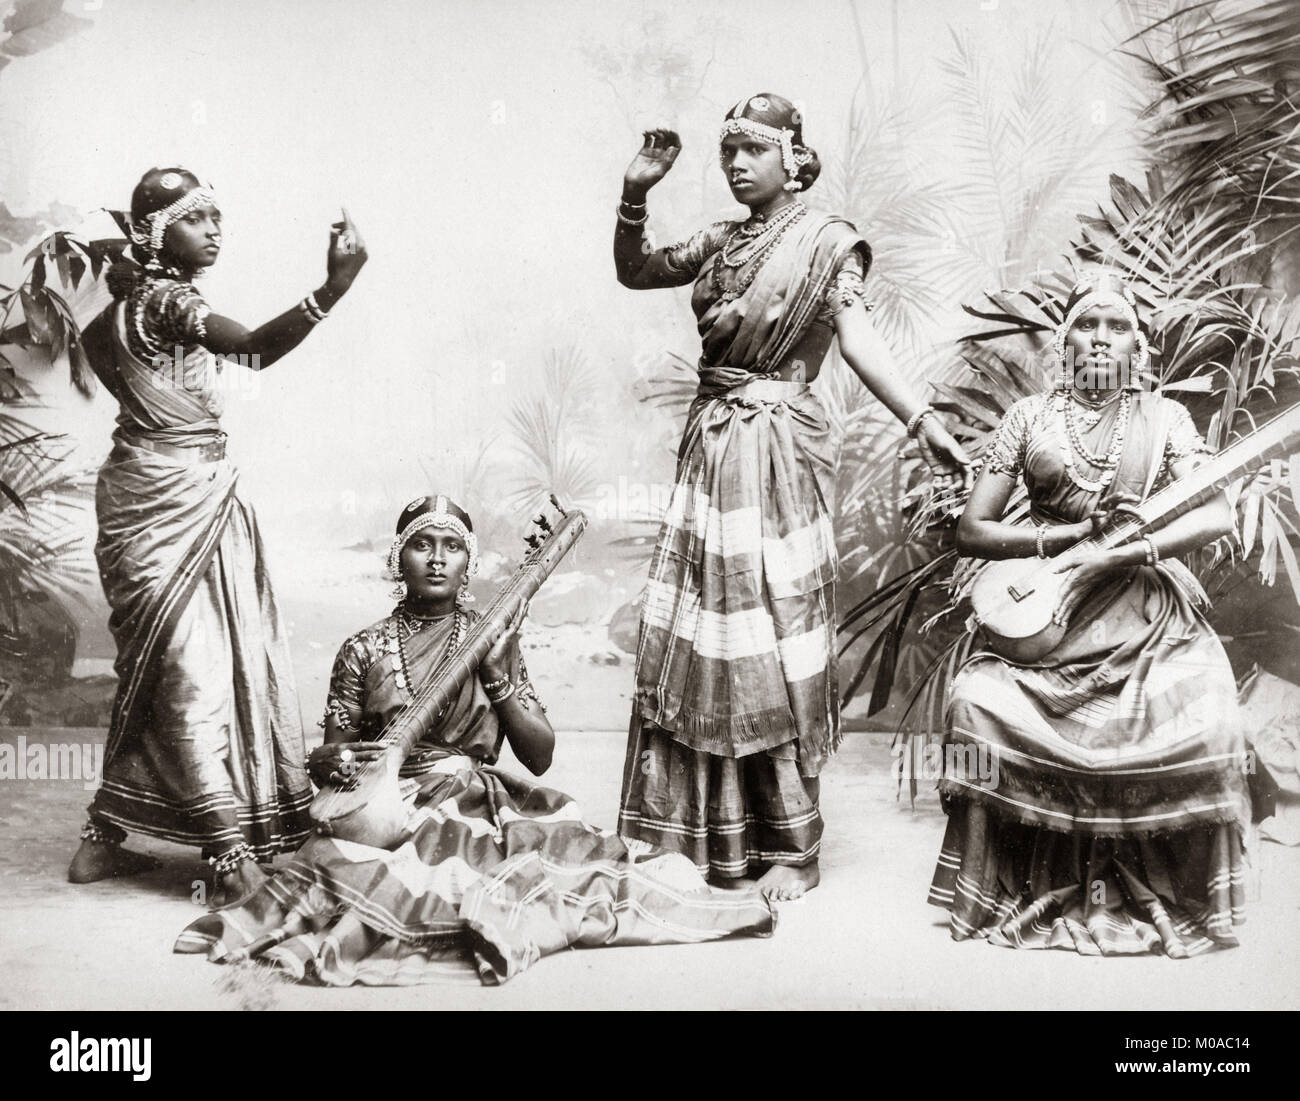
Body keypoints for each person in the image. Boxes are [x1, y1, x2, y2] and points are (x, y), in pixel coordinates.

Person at [175, 495, 775, 985]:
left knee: (555, 868)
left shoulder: (492, 639)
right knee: (338, 872)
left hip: (471, 798)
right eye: (422, 544)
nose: (437, 559)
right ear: (397, 559)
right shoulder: (363, 649)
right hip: (387, 802)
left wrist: (499, 674)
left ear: (470, 564)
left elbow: (539, 756)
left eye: (452, 546)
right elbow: (336, 759)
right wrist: (330, 757)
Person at [612, 94, 971, 900]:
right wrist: (636, 192)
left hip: (777, 449)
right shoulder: (718, 241)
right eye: (726, 151)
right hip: (711, 444)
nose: (736, 164)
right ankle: (701, 831)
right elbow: (634, 270)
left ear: (793, 157)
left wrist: (918, 417)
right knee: (704, 626)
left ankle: (794, 844)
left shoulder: (828, 243)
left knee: (766, 627)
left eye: (751, 149)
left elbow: (857, 336)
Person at [68, 167, 368, 905]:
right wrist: (333, 288)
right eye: (195, 218)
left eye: (217, 217)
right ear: (151, 234)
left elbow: (130, 386)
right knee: (193, 666)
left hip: (145, 490)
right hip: (174, 495)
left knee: (160, 662)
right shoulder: (168, 299)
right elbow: (257, 350)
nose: (214, 230)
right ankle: (228, 850)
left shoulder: (112, 317)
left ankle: (103, 836)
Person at [928, 273, 1250, 956]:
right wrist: (1066, 540)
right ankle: (1013, 882)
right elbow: (972, 531)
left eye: (1117, 324)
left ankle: (1175, 888)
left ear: (1139, 344)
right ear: (1065, 340)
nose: (1101, 336)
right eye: (1087, 324)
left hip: (1145, 610)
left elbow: (1218, 508)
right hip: (1047, 611)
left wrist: (1137, 548)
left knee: (1212, 707)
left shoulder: (1166, 420)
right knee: (976, 700)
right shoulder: (1030, 417)